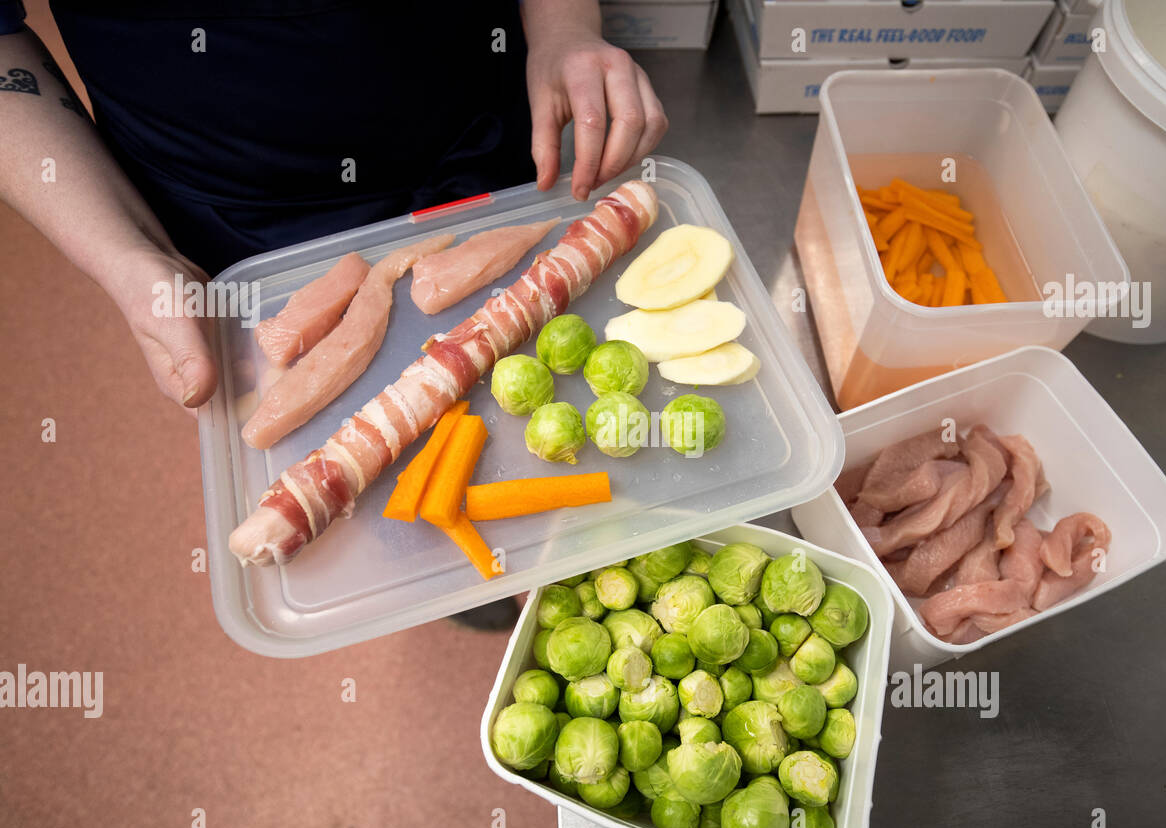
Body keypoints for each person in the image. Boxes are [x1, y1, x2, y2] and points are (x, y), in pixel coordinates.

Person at [0, 0, 667, 628]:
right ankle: (445, 575)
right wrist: (125, 255)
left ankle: (512, 570)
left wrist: (564, 28)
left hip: (493, 138)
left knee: (530, 414)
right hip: (245, 220)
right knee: (388, 506)